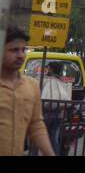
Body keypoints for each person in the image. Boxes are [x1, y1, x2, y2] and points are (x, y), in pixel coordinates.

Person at [0, 28, 55, 156]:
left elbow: (36, 125)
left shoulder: (31, 86)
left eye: (23, 50)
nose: (21, 55)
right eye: (14, 50)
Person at [40, 62, 72, 156]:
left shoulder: (46, 81)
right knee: (53, 138)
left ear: (51, 69)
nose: (47, 70)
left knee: (39, 138)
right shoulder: (64, 82)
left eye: (48, 68)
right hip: (59, 115)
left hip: (45, 115)